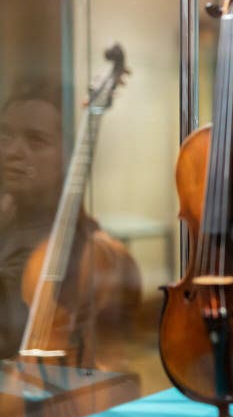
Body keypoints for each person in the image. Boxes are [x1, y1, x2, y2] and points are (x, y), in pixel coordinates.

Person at [0, 82, 141, 369]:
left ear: (68, 157)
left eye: (36, 141)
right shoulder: (8, 221)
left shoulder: (75, 251)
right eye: (4, 135)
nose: (13, 151)